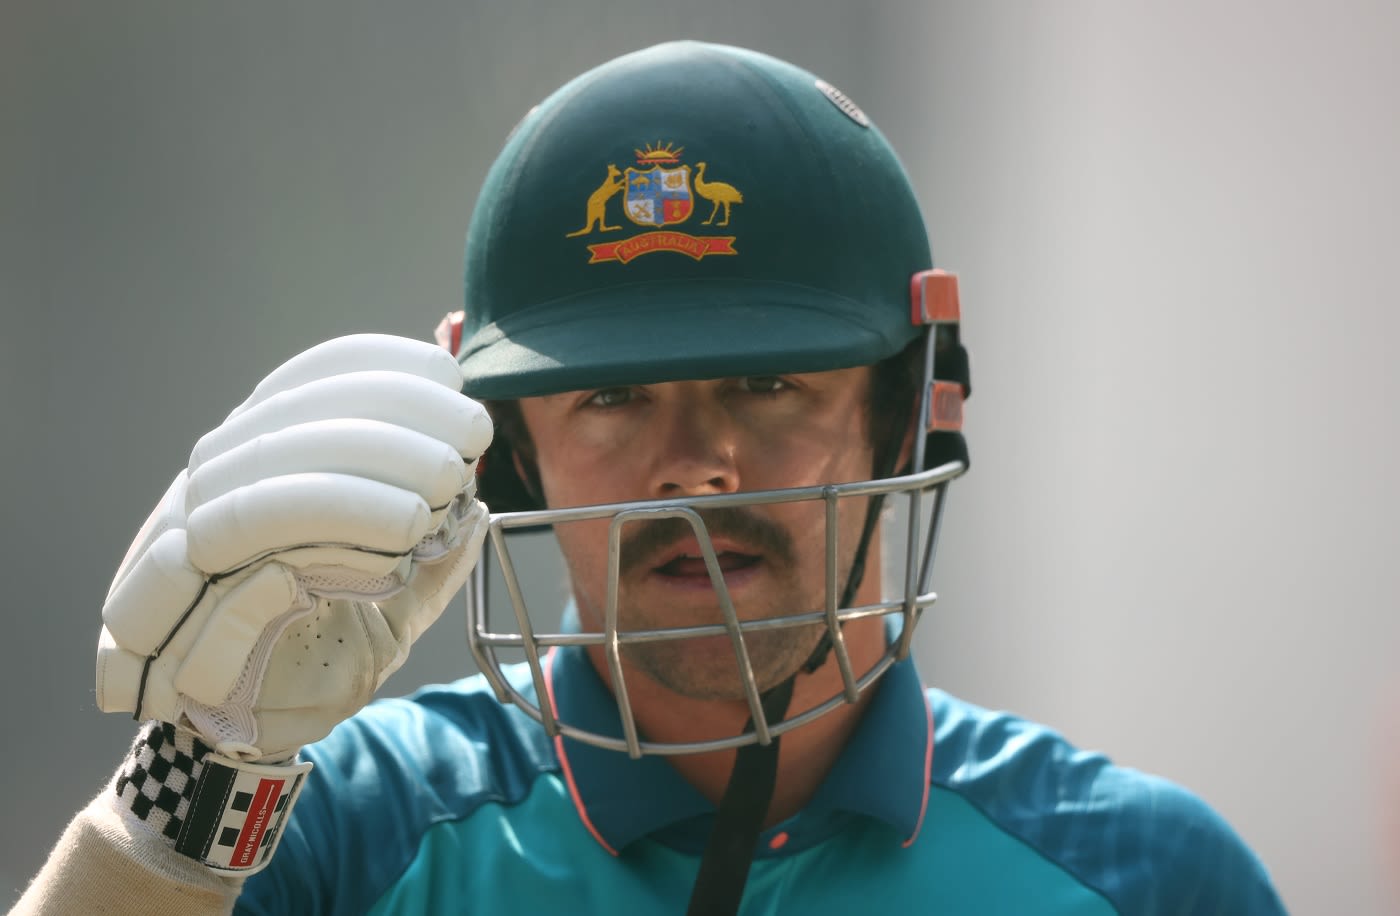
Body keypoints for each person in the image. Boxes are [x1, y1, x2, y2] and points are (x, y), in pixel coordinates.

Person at [15, 41, 1286, 915]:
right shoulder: (348, 833)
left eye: (769, 383)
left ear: (904, 410)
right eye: (612, 396)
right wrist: (187, 796)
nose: (693, 467)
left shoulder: (1136, 873)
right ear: (505, 444)